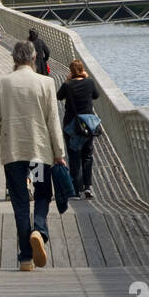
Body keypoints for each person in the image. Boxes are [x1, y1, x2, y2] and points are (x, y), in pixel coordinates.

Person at [0, 39, 66, 270]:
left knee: (20, 203)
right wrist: (59, 153)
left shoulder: (2, 83)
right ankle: (39, 229)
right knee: (42, 194)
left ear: (14, 58)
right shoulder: (46, 83)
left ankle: (25, 258)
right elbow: (53, 121)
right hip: (39, 154)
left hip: (13, 154)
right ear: (34, 58)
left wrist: (7, 131)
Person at [56, 58, 100, 200]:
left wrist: (66, 80)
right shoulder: (89, 82)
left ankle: (75, 189)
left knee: (74, 157)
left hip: (71, 125)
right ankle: (88, 187)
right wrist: (86, 78)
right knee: (87, 155)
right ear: (82, 70)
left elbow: (58, 96)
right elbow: (96, 95)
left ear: (71, 71)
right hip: (88, 125)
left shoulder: (68, 85)